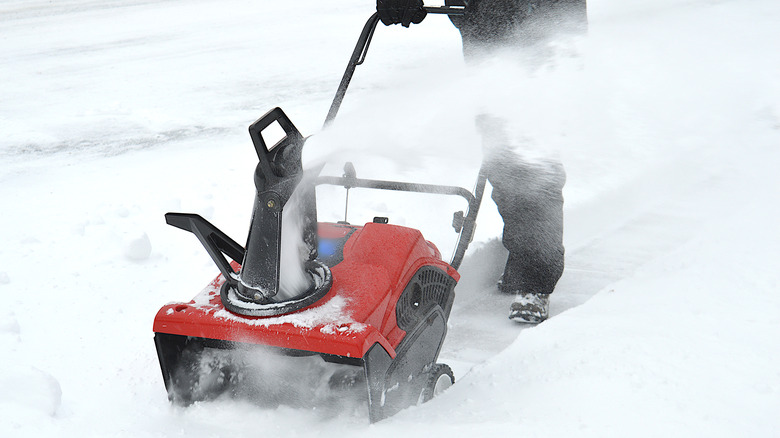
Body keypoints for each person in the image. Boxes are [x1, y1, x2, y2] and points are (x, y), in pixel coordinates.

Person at [375, 0, 587, 323]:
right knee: (500, 149)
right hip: (482, 16)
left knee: (531, 147)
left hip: (540, 17)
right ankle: (525, 255)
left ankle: (535, 278)